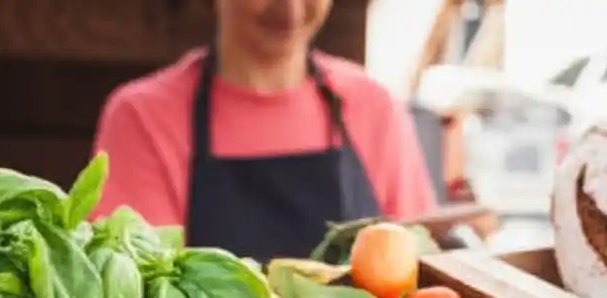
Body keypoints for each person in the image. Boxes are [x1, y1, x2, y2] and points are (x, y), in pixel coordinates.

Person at [91, 0, 437, 260]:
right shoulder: (143, 117)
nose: (291, 8)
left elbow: (419, 263)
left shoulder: (373, 107)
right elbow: (143, 286)